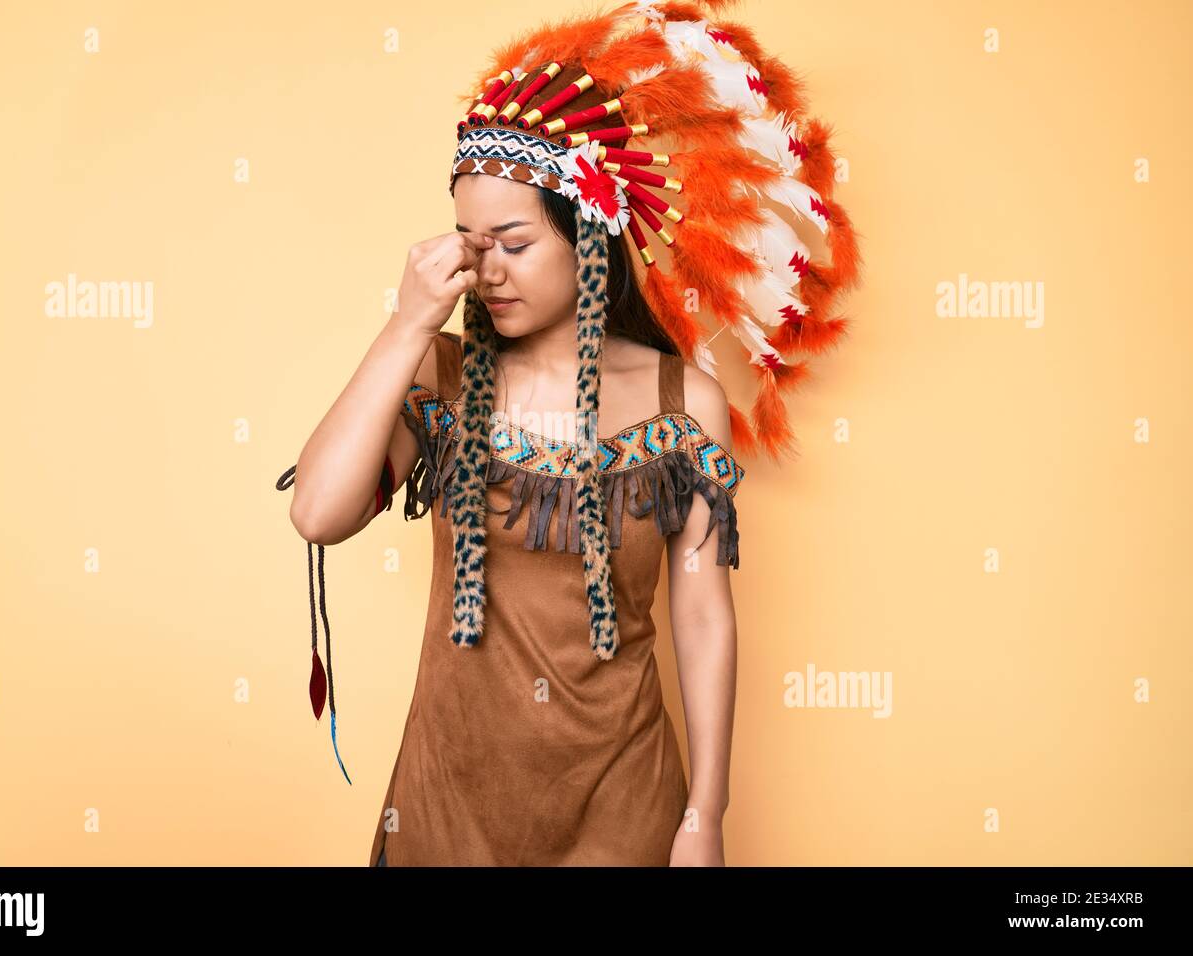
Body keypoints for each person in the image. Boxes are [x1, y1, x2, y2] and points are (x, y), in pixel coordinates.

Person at [276, 0, 860, 866]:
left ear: (587, 239)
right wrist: (404, 328)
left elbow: (702, 619)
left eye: (513, 241)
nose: (486, 269)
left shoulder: (680, 402)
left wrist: (706, 813)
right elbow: (319, 513)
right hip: (447, 800)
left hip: (620, 803)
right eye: (471, 243)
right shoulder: (435, 372)